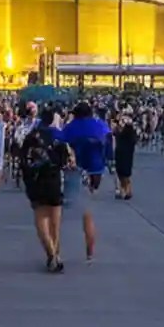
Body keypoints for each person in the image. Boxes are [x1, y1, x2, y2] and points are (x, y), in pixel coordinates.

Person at [21, 108, 74, 271]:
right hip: (54, 179)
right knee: (55, 219)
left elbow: (23, 158)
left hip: (36, 180)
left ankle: (51, 253)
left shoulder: (31, 137)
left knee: (41, 218)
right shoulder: (58, 136)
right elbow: (66, 161)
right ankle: (56, 254)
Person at [62, 102, 106, 262]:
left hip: (76, 169)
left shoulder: (71, 127)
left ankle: (55, 248)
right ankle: (90, 251)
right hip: (96, 170)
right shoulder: (99, 125)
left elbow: (62, 142)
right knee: (88, 213)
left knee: (62, 210)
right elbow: (107, 140)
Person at [113, 113, 138, 199]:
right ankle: (124, 189)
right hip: (123, 153)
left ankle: (126, 190)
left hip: (124, 154)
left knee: (124, 173)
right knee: (122, 173)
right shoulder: (121, 133)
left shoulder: (126, 133)